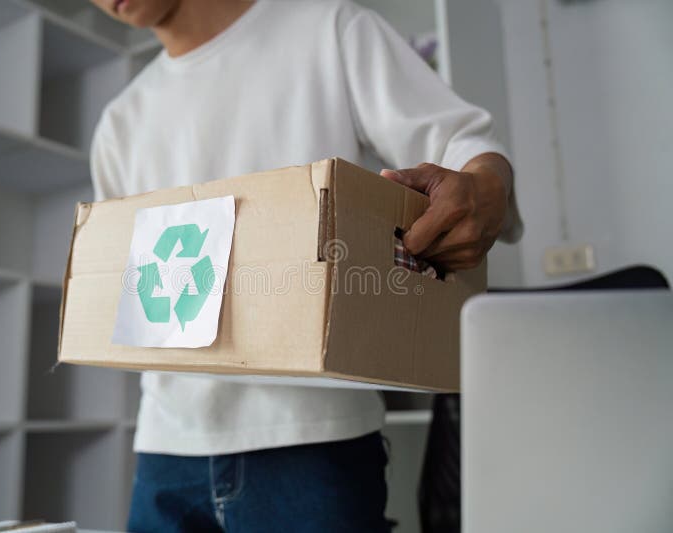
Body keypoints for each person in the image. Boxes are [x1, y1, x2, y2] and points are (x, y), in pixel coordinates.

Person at [88, 0, 522, 531]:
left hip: (314, 440)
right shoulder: (119, 123)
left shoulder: (328, 28)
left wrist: (484, 181)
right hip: (164, 448)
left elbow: (461, 144)